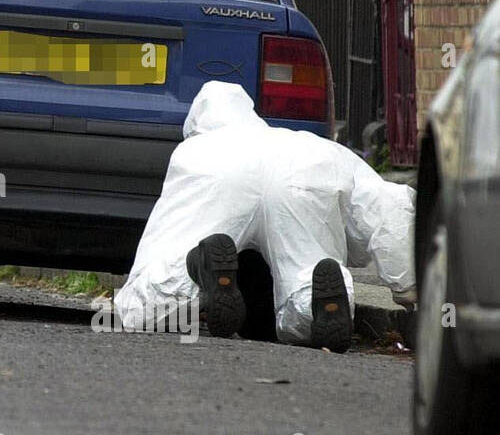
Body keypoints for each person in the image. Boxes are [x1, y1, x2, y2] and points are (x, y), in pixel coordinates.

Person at [113, 81, 416, 352]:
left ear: (196, 126)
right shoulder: (315, 147)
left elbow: (161, 239)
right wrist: (406, 283)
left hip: (220, 175)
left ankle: (198, 269)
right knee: (304, 276)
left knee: (146, 301)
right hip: (304, 174)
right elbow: (388, 201)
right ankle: (317, 302)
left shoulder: (196, 151)